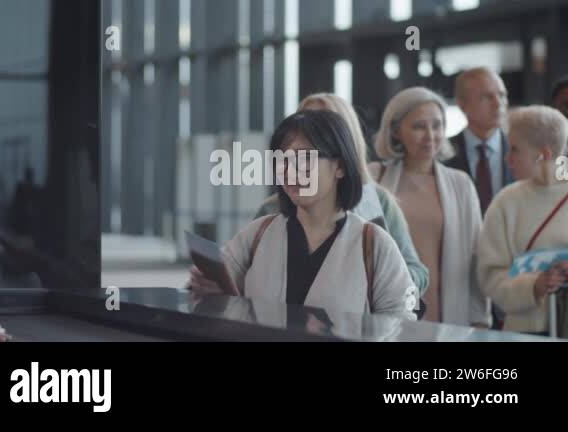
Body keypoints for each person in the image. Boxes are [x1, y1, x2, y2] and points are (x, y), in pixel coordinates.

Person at [191, 110, 417, 318]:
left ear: (340, 166)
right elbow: (221, 295)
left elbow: (400, 325)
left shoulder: (374, 243)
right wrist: (208, 287)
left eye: (305, 158)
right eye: (283, 161)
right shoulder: (258, 234)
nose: (291, 172)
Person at [254, 93, 430, 299]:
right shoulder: (270, 211)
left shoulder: (377, 203)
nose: (315, 131)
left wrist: (380, 277)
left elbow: (418, 275)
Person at [369, 87, 490, 327]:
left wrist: (480, 318)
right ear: (396, 130)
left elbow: (477, 257)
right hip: (389, 310)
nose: (430, 135)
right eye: (418, 126)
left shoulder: (461, 184)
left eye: (437, 125)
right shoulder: (375, 178)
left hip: (447, 311)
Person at [477, 106, 568, 336]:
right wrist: (533, 287)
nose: (507, 159)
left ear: (544, 155)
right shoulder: (505, 203)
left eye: (515, 150)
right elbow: (489, 277)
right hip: (523, 333)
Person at [446, 67, 514, 215]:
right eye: (487, 97)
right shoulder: (443, 152)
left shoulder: (521, 149)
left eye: (502, 95)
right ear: (462, 105)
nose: (498, 104)